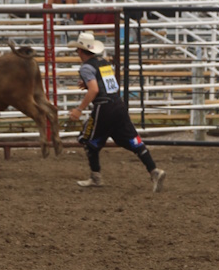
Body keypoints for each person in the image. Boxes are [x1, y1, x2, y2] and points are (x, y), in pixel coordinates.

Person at [67, 31, 166, 193]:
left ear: (80, 51)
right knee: (133, 141)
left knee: (87, 139)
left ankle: (95, 177)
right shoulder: (103, 62)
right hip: (118, 106)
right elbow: (107, 85)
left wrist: (79, 109)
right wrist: (91, 85)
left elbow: (94, 90)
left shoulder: (86, 68)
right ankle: (154, 170)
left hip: (104, 108)